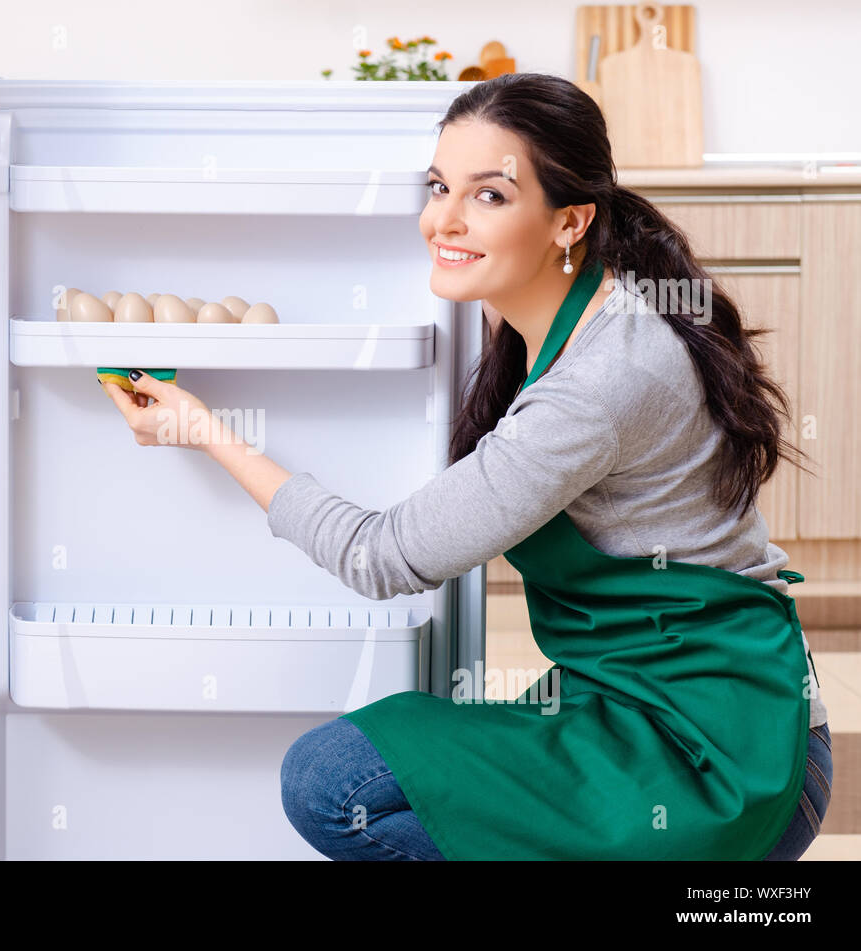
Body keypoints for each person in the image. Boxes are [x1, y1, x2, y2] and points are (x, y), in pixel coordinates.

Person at [100, 72, 830, 860]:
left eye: (489, 196)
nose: (441, 218)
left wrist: (208, 430)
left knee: (332, 782)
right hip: (635, 697)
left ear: (570, 221)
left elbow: (380, 556)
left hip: (719, 754)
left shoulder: (600, 380)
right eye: (439, 185)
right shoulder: (566, 308)